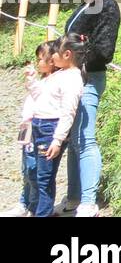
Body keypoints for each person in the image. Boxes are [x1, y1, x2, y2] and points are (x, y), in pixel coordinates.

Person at [59, 0, 121, 217]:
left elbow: (104, 49)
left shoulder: (107, 6)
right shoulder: (85, 6)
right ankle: (73, 195)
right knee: (74, 139)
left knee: (85, 138)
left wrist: (78, 65)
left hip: (88, 79)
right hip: (71, 78)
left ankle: (88, 200)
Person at [13, 37, 85, 217]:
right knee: (35, 173)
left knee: (44, 179)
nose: (52, 56)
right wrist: (31, 81)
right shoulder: (58, 75)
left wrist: (57, 140)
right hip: (39, 125)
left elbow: (68, 112)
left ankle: (42, 214)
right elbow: (42, 97)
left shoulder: (72, 79)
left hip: (50, 129)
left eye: (55, 52)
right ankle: (35, 209)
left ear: (67, 54)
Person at [3, 40, 59, 218]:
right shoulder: (44, 79)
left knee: (35, 169)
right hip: (27, 125)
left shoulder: (55, 81)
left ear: (52, 61)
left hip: (39, 127)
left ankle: (34, 206)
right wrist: (32, 80)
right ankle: (24, 202)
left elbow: (44, 101)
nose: (37, 62)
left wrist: (33, 81)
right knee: (26, 167)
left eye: (41, 59)